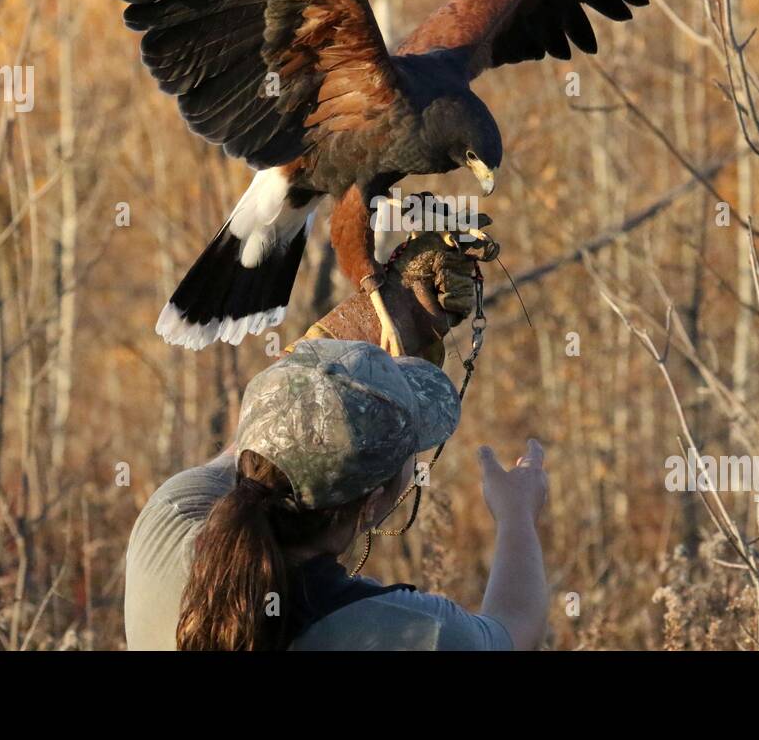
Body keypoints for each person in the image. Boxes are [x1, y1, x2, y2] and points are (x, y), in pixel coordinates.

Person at [123, 228, 550, 650]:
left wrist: (369, 317)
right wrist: (517, 514)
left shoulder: (167, 520)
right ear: (372, 505)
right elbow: (512, 629)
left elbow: (251, 446)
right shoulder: (397, 632)